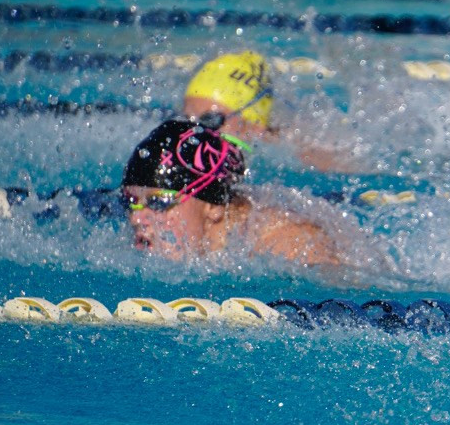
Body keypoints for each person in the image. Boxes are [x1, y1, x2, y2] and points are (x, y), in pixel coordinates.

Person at [121, 118, 343, 266]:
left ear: (213, 207)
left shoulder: (288, 247)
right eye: (130, 201)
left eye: (159, 203)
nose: (136, 217)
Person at [182, 51, 349, 173]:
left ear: (253, 124)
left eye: (209, 120)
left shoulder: (299, 161)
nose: (192, 131)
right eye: (186, 120)